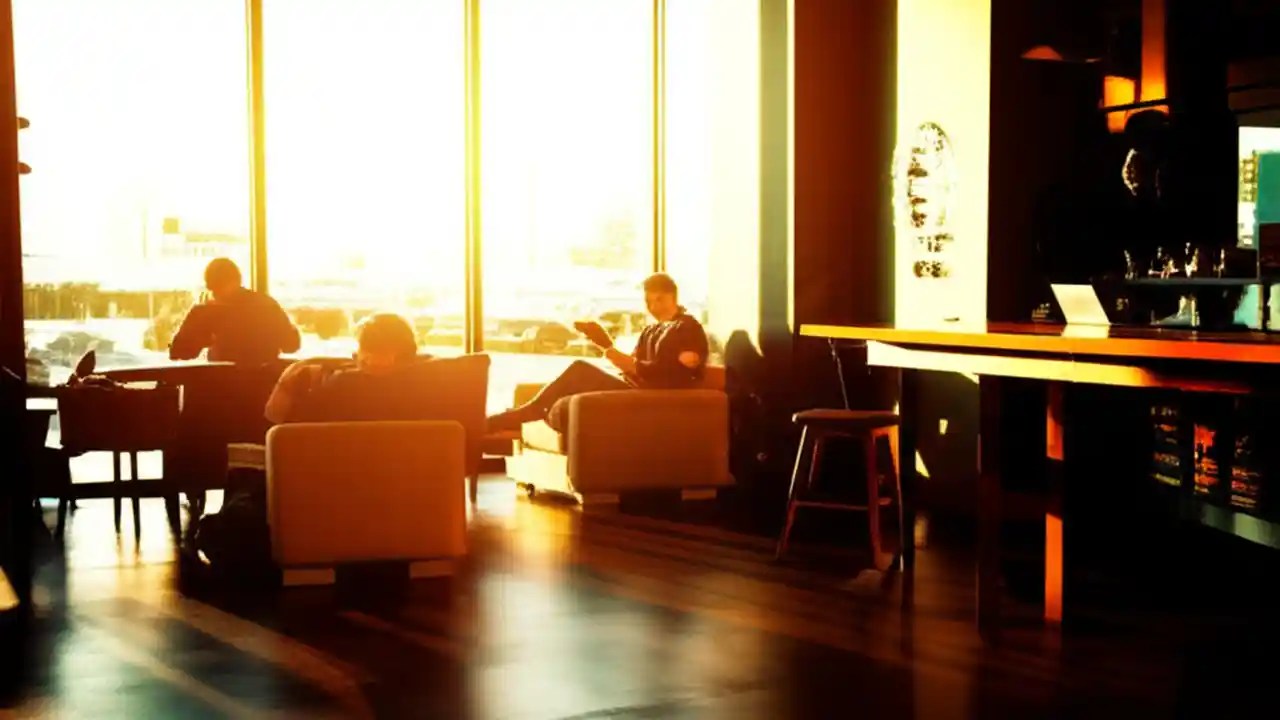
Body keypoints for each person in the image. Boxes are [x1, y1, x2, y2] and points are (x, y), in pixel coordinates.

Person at [195, 313, 428, 575]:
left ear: (382, 354)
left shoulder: (345, 385)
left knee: (253, 476)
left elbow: (290, 431)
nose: (356, 357)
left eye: (361, 350)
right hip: (400, 490)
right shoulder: (430, 387)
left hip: (326, 483)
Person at [486, 273, 708, 433]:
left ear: (673, 298)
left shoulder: (687, 327)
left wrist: (618, 356)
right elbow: (633, 364)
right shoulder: (651, 330)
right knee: (580, 379)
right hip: (636, 388)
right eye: (648, 301)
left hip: (651, 399)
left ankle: (524, 414)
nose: (653, 306)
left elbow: (671, 373)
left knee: (580, 371)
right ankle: (527, 413)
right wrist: (609, 349)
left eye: (659, 299)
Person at [169, 258, 301, 364]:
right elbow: (291, 345)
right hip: (264, 389)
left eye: (216, 286)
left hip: (219, 386)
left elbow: (178, 352)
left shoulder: (206, 312)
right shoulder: (266, 306)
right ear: (237, 280)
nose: (214, 292)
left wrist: (204, 336)